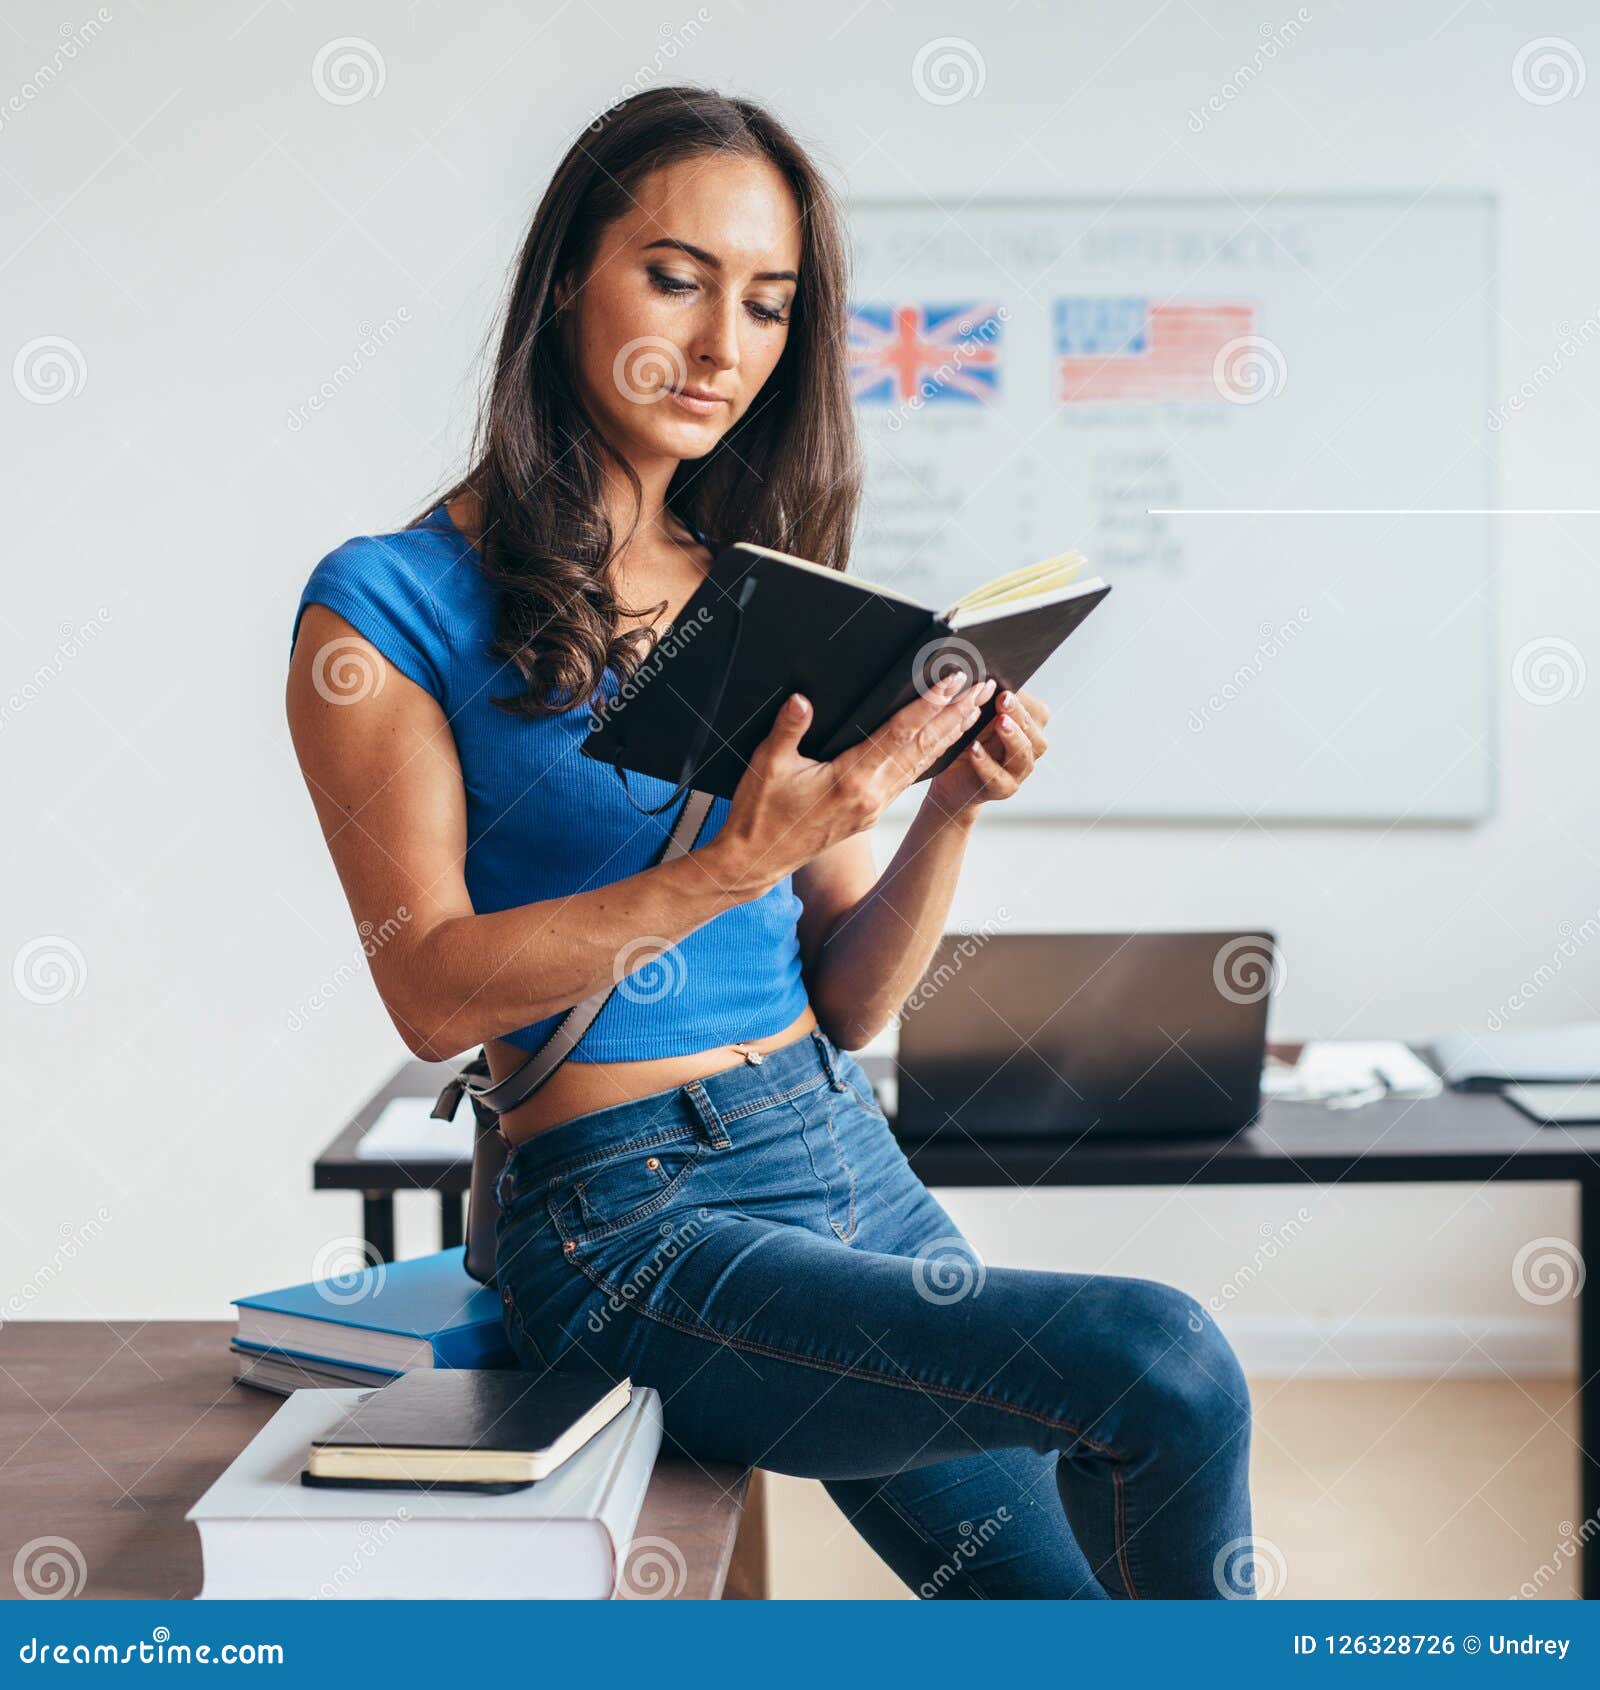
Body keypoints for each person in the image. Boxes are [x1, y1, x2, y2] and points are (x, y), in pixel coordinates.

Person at [285, 85, 1254, 1599]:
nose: (724, 345)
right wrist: (730, 862)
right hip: (627, 1218)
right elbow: (431, 990)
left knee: (1054, 1610)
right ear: (564, 285)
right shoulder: (385, 606)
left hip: (835, 1144)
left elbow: (854, 996)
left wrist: (946, 807)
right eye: (676, 277)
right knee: (1167, 1360)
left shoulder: (757, 591)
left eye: (769, 303)